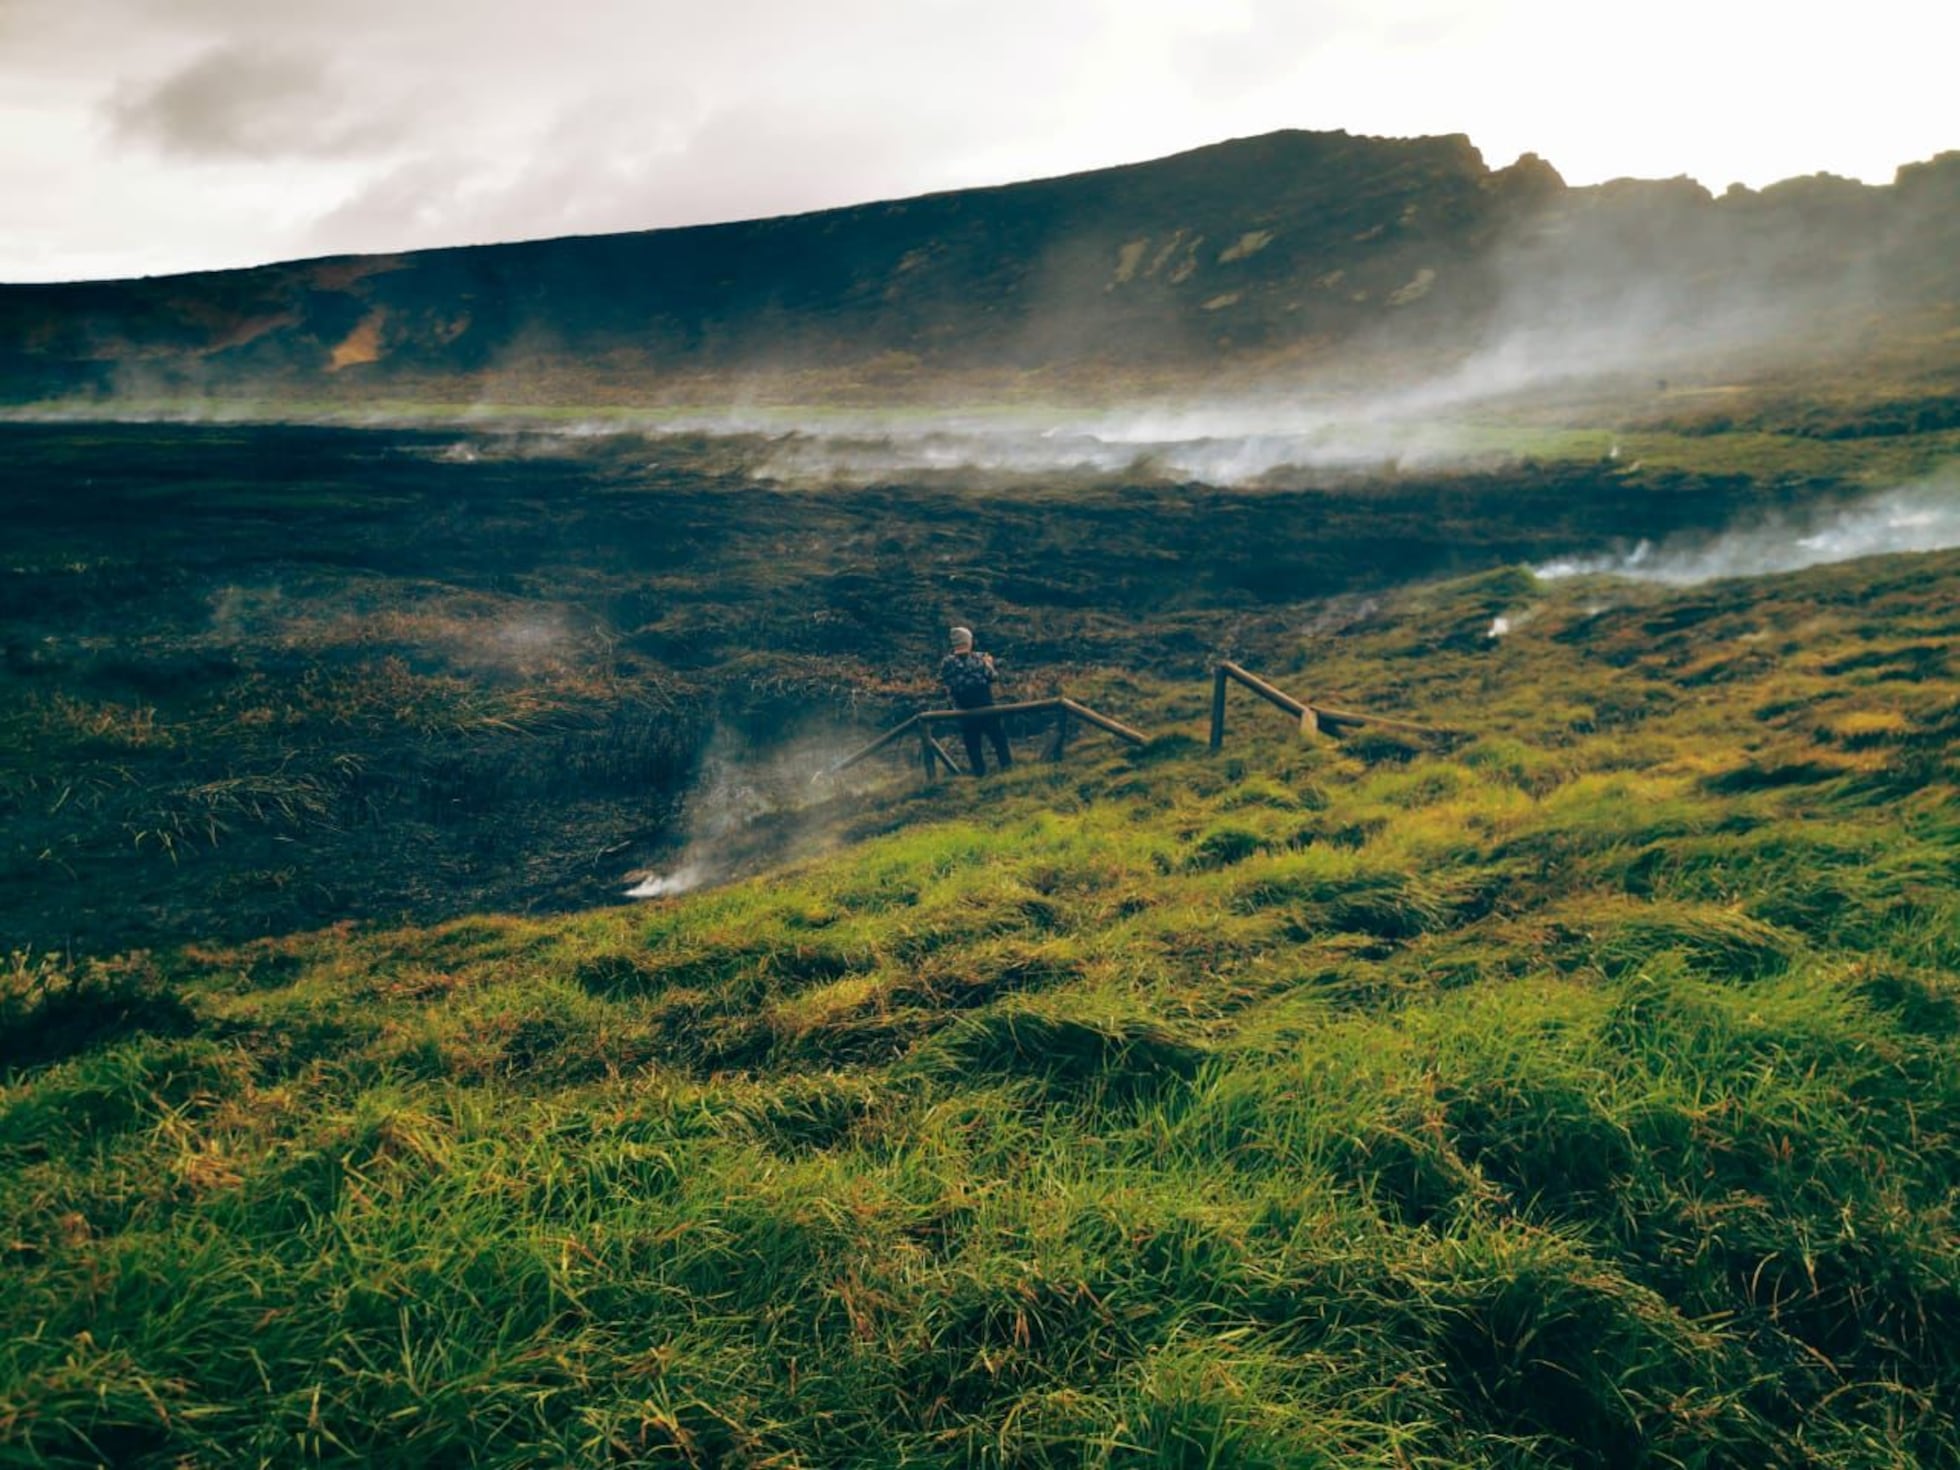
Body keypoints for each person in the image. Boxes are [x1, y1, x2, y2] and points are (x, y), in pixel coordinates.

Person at [939, 626, 1013, 776]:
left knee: (973, 745)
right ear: (968, 641)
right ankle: (1008, 769)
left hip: (963, 711)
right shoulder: (979, 659)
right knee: (999, 740)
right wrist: (989, 663)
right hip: (986, 707)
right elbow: (992, 677)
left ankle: (979, 775)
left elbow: (944, 681)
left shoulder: (947, 663)